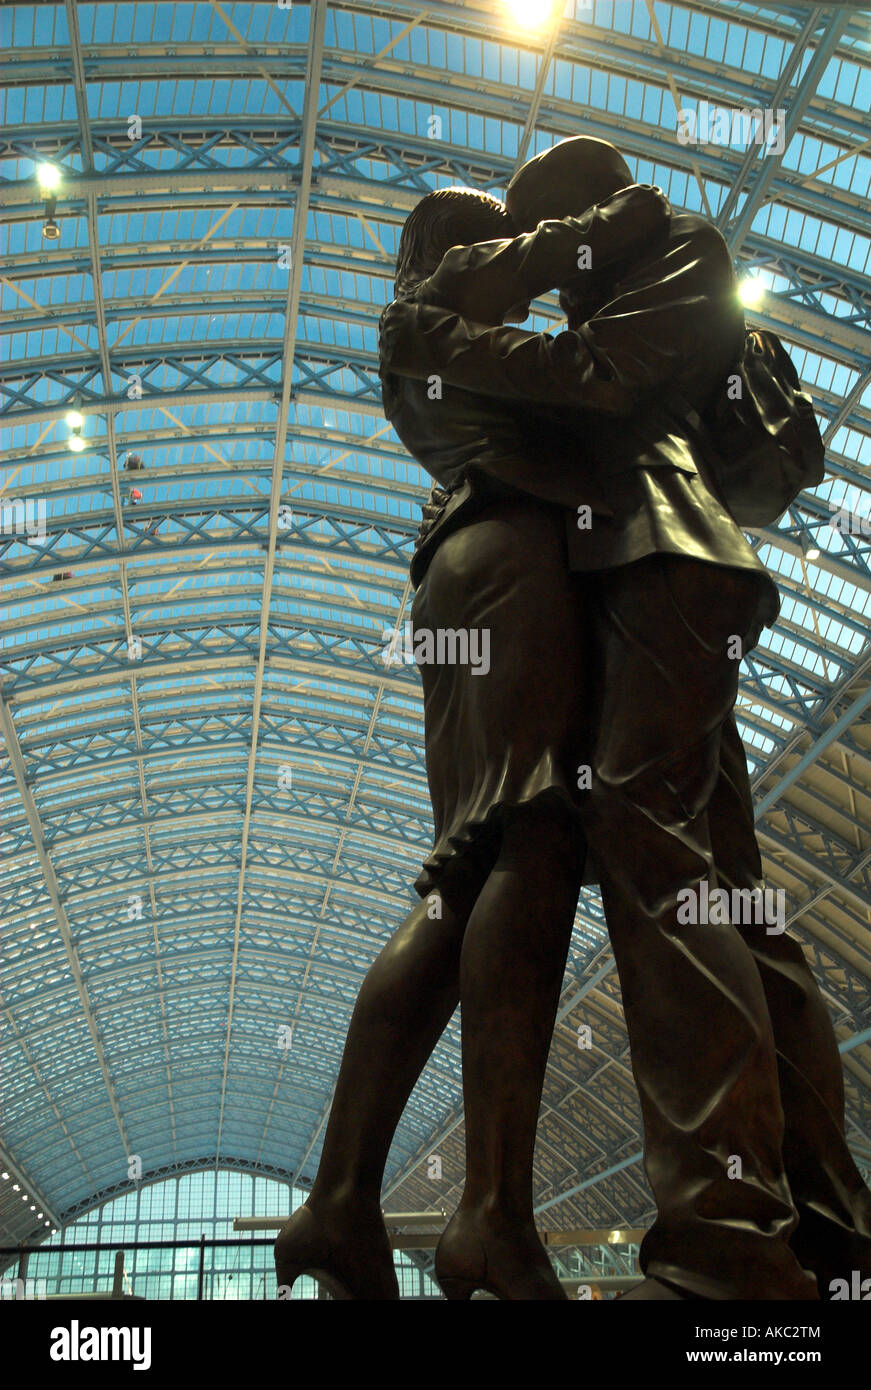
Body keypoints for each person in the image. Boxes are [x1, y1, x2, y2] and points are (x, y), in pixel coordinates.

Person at [383, 135, 871, 1299]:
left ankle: (723, 1231)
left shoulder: (680, 256)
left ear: (591, 219)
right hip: (671, 589)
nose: (548, 273)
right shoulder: (646, 276)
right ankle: (823, 1218)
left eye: (552, 243)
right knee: (736, 900)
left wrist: (441, 337)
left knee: (656, 861)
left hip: (664, 566)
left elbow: (592, 377)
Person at [274, 177, 671, 1300]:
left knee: (463, 873)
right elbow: (557, 319)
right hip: (507, 568)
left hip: (460, 582)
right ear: (455, 255)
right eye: (495, 247)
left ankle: (340, 1200)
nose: (522, 266)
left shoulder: (442, 359)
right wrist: (607, 228)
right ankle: (492, 1211)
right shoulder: (435, 323)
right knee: (533, 842)